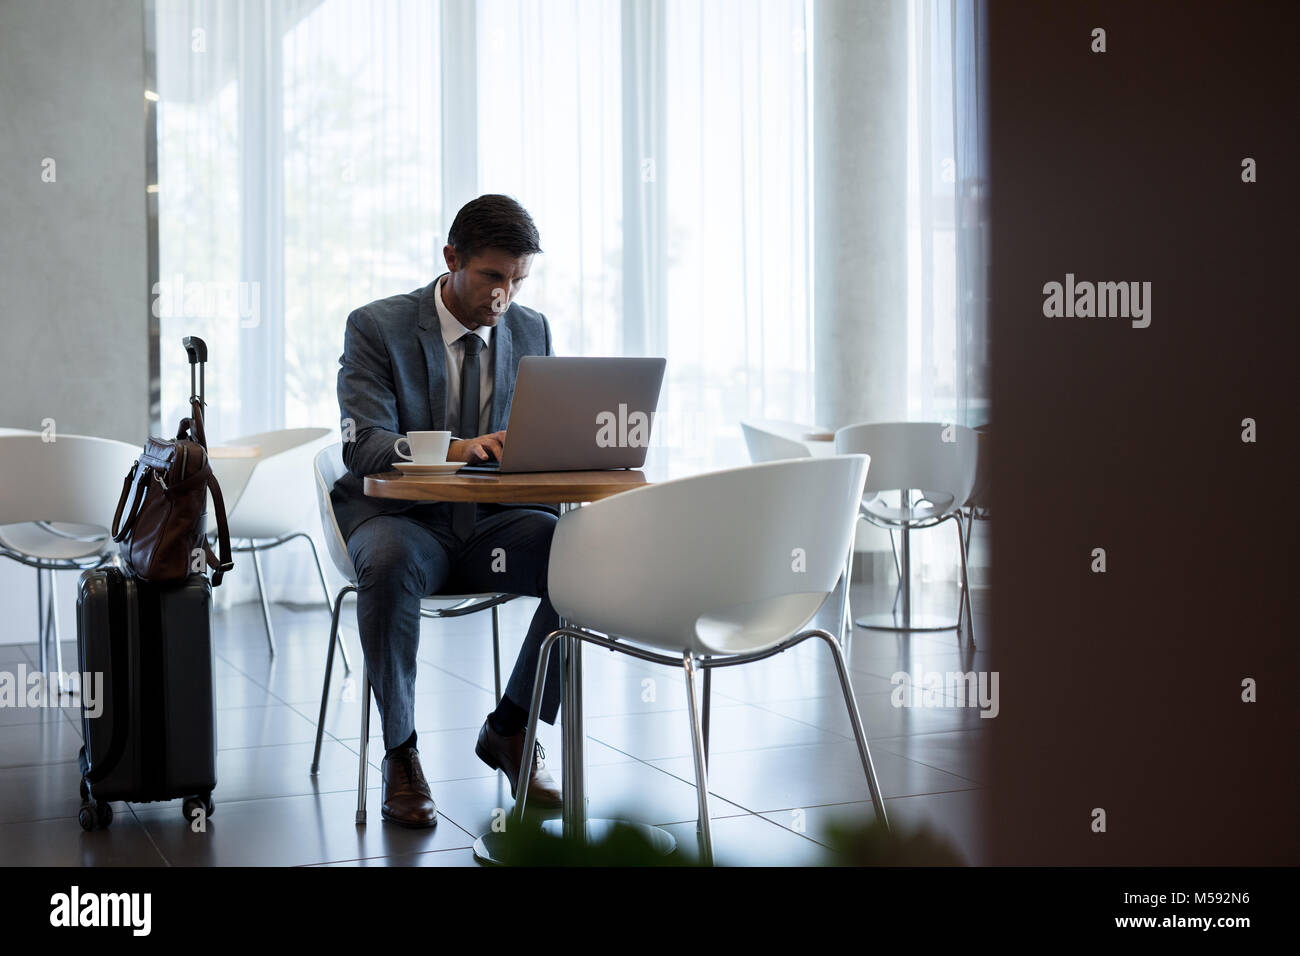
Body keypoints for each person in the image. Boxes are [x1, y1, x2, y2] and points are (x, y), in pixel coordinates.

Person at [332, 194, 563, 827]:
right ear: (451, 258)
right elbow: (364, 444)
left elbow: (538, 433)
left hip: (492, 523)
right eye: (493, 276)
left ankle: (512, 728)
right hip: (408, 525)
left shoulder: (531, 329)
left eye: (518, 281)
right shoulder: (376, 327)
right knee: (386, 562)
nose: (504, 298)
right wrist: (456, 450)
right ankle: (401, 754)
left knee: (584, 562)